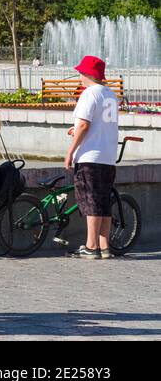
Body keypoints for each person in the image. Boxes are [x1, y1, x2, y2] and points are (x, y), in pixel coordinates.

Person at [65, 54, 120, 259]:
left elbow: (84, 125)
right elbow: (96, 125)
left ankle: (90, 246)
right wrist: (77, 129)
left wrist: (70, 151)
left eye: (80, 72)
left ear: (88, 74)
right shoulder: (110, 95)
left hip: (90, 157)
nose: (79, 75)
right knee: (104, 201)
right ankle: (104, 246)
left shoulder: (89, 94)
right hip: (108, 156)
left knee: (91, 202)